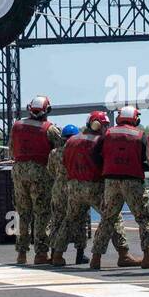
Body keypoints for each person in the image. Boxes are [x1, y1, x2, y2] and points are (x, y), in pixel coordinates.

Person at [51, 111, 128, 266]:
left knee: (70, 220)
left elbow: (64, 164)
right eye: (105, 125)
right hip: (94, 185)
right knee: (113, 217)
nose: (106, 128)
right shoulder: (101, 141)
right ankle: (122, 254)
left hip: (74, 187)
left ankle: (57, 254)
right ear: (97, 124)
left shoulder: (71, 141)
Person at [89, 105, 149, 269]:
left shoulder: (108, 134)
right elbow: (147, 162)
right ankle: (148, 257)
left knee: (107, 219)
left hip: (111, 181)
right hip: (132, 180)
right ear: (135, 119)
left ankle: (95, 259)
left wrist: (107, 168)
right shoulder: (140, 135)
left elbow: (94, 155)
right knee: (144, 218)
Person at [10, 94, 64, 265]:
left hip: (19, 171)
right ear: (47, 111)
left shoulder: (16, 126)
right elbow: (61, 151)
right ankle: (40, 253)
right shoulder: (50, 129)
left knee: (22, 213)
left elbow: (11, 149)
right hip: (40, 172)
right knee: (42, 213)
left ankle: (21, 253)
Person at [46, 123, 88, 265]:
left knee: (57, 221)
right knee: (80, 220)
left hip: (58, 189)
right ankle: (80, 254)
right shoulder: (79, 151)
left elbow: (50, 171)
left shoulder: (54, 153)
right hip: (75, 187)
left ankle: (54, 253)